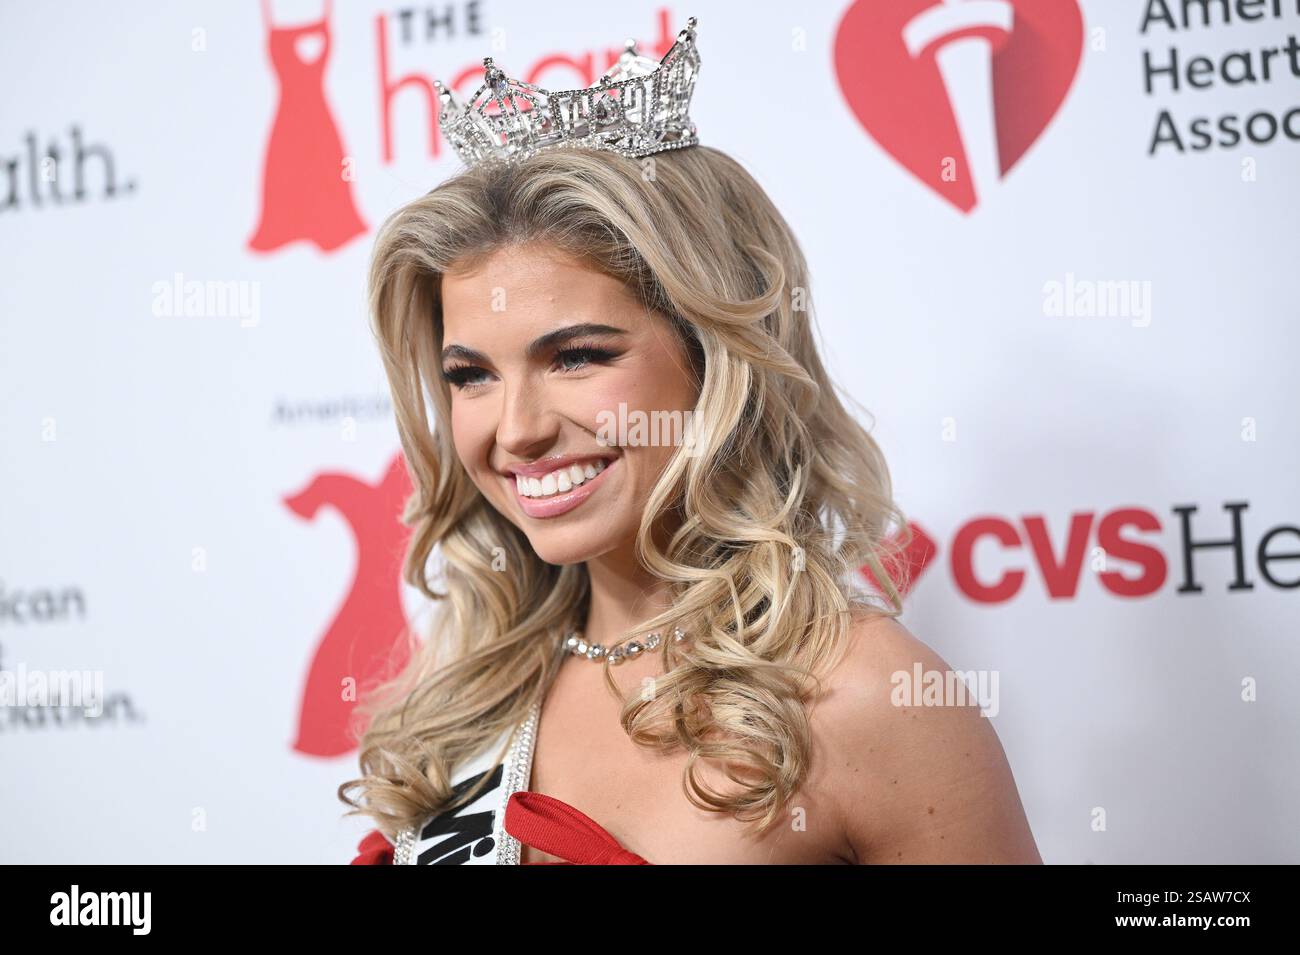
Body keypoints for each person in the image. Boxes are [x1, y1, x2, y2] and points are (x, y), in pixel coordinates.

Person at [338, 17, 1041, 865]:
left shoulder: (866, 696)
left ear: (717, 360)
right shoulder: (469, 703)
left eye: (577, 356)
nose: (517, 429)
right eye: (471, 375)